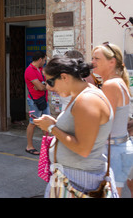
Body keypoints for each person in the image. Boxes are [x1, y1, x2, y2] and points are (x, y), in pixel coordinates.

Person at [33, 56, 118, 198]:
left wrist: (52, 128)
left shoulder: (87, 100)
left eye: (50, 82)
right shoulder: (82, 95)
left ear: (64, 77)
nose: (48, 87)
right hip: (75, 177)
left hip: (80, 181)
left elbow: (83, 149)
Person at [92, 42, 133, 197]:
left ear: (112, 62)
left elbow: (104, 122)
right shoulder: (119, 82)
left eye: (97, 58)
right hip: (121, 146)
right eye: (93, 58)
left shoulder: (110, 84)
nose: (92, 62)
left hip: (113, 151)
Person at [24, 51, 49, 155]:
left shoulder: (40, 69)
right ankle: (29, 146)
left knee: (47, 123)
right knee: (32, 123)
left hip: (43, 100)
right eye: (44, 60)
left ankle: (47, 146)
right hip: (34, 102)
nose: (44, 62)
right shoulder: (30, 71)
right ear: (40, 59)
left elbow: (46, 83)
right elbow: (41, 87)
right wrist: (43, 86)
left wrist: (43, 85)